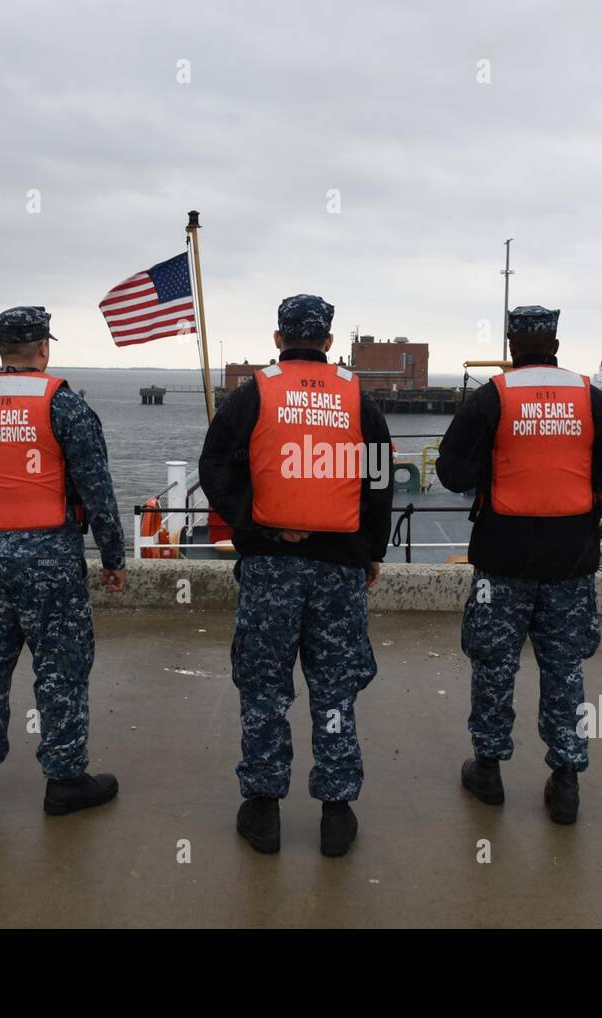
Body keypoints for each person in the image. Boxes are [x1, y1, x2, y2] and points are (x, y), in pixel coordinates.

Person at [198, 294, 393, 857]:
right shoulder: (360, 400)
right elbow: (378, 480)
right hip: (339, 570)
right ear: (329, 342)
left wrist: (252, 521)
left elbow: (214, 464)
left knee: (264, 688)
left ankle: (263, 813)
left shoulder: (252, 395)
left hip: (269, 568)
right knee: (334, 689)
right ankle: (336, 815)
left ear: (279, 338)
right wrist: (370, 550)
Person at [0, 306, 126, 816]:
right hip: (50, 557)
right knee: (61, 669)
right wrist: (113, 557)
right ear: (44, 348)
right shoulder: (65, 406)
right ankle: (64, 780)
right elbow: (97, 489)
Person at [436, 306, 602, 824]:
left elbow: (453, 474)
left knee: (494, 663)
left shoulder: (492, 398)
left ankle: (489, 770)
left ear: (511, 341)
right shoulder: (592, 397)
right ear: (555, 340)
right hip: (572, 558)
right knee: (565, 666)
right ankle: (566, 780)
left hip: (502, 557)